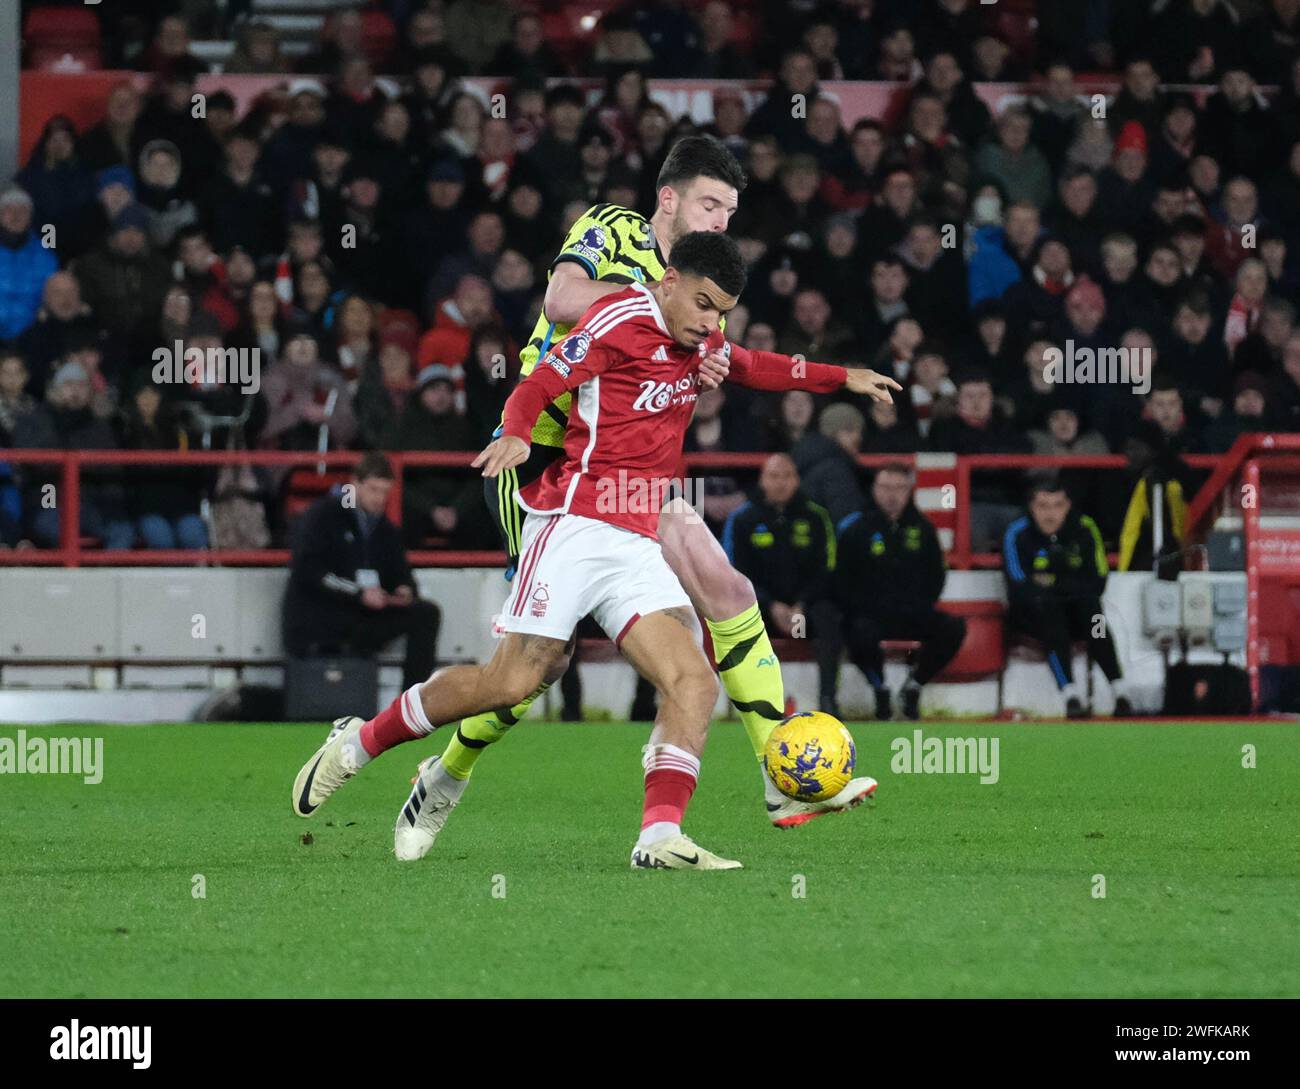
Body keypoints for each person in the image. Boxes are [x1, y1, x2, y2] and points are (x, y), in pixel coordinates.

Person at [290, 233, 893, 869]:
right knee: (513, 682)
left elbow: (752, 364)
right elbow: (541, 382)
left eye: (722, 312)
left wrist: (840, 378)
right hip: (574, 525)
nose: (712, 323)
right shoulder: (616, 321)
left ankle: (658, 837)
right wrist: (519, 435)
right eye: (705, 304)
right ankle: (359, 743)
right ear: (668, 281)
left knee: (693, 681)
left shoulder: (702, 337)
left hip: (636, 541)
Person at [281, 452, 440, 691]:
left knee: (426, 613)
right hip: (324, 614)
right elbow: (309, 569)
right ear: (355, 483)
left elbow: (401, 571)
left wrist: (404, 589)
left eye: (385, 492)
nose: (379, 498)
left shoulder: (385, 530)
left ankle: (411, 704)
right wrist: (358, 593)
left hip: (361, 617)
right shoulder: (323, 515)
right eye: (373, 490)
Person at [836, 464, 966, 720]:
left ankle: (914, 685)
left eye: (899, 488)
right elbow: (841, 577)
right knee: (856, 631)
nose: (892, 495)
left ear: (909, 491)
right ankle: (880, 688)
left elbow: (936, 574)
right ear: (874, 489)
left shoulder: (923, 527)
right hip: (868, 614)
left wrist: (919, 603)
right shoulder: (854, 527)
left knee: (953, 627)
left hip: (912, 613)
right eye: (885, 488)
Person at [1003, 480, 1133, 718]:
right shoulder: (1017, 533)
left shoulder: (1084, 528)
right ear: (1031, 507)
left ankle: (1120, 691)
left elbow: (1099, 579)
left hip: (1080, 609)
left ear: (1068, 506)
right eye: (1043, 506)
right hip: (1034, 615)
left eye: (1057, 506)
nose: (1050, 514)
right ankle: (1070, 694)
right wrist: (1063, 586)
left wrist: (1052, 583)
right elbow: (1019, 585)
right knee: (1051, 612)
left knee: (1095, 618)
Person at [722, 454, 840, 715]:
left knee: (828, 616)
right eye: (774, 476)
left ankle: (828, 699)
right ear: (763, 480)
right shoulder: (743, 519)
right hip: (760, 606)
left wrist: (801, 604)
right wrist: (769, 604)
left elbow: (827, 569)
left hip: (804, 609)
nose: (780, 483)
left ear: (797, 480)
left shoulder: (816, 517)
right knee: (734, 618)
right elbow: (734, 572)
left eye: (787, 476)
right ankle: (745, 702)